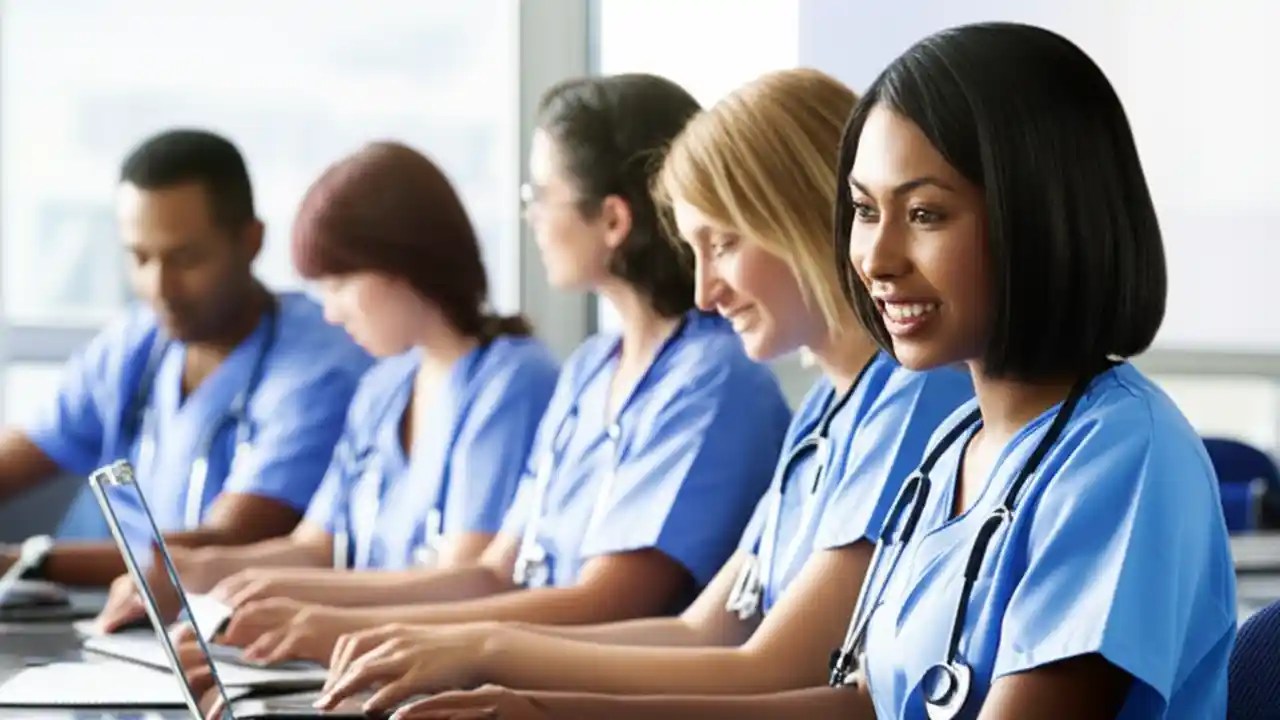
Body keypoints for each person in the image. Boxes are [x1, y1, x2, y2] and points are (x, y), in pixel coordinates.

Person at [388, 22, 1237, 720]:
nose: (877, 256)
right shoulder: (953, 447)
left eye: (926, 213)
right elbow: (861, 703)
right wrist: (539, 709)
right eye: (865, 212)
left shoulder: (1123, 455)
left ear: (1044, 216)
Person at [310, 68, 975, 715]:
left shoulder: (914, 398)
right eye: (696, 249)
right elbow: (706, 630)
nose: (705, 291)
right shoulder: (825, 413)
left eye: (723, 244)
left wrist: (503, 666)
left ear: (804, 215)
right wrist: (473, 655)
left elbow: (773, 666)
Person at [184, 73, 793, 673]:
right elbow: (494, 572)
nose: (529, 217)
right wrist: (281, 603)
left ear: (612, 220)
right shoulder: (589, 369)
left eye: (540, 196)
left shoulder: (713, 378)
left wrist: (350, 628)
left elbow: (610, 601)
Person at [95, 142, 560, 631]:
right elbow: (313, 547)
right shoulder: (384, 388)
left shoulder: (510, 383)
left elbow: (466, 579)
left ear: (405, 266)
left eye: (339, 284)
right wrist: (198, 570)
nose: (331, 312)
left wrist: (285, 597)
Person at [0, 129, 371, 587]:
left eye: (186, 259)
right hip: (111, 619)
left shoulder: (321, 368)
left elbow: (228, 543)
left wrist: (24, 563)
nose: (160, 288)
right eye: (140, 258)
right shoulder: (138, 340)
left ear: (251, 241)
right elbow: (23, 452)